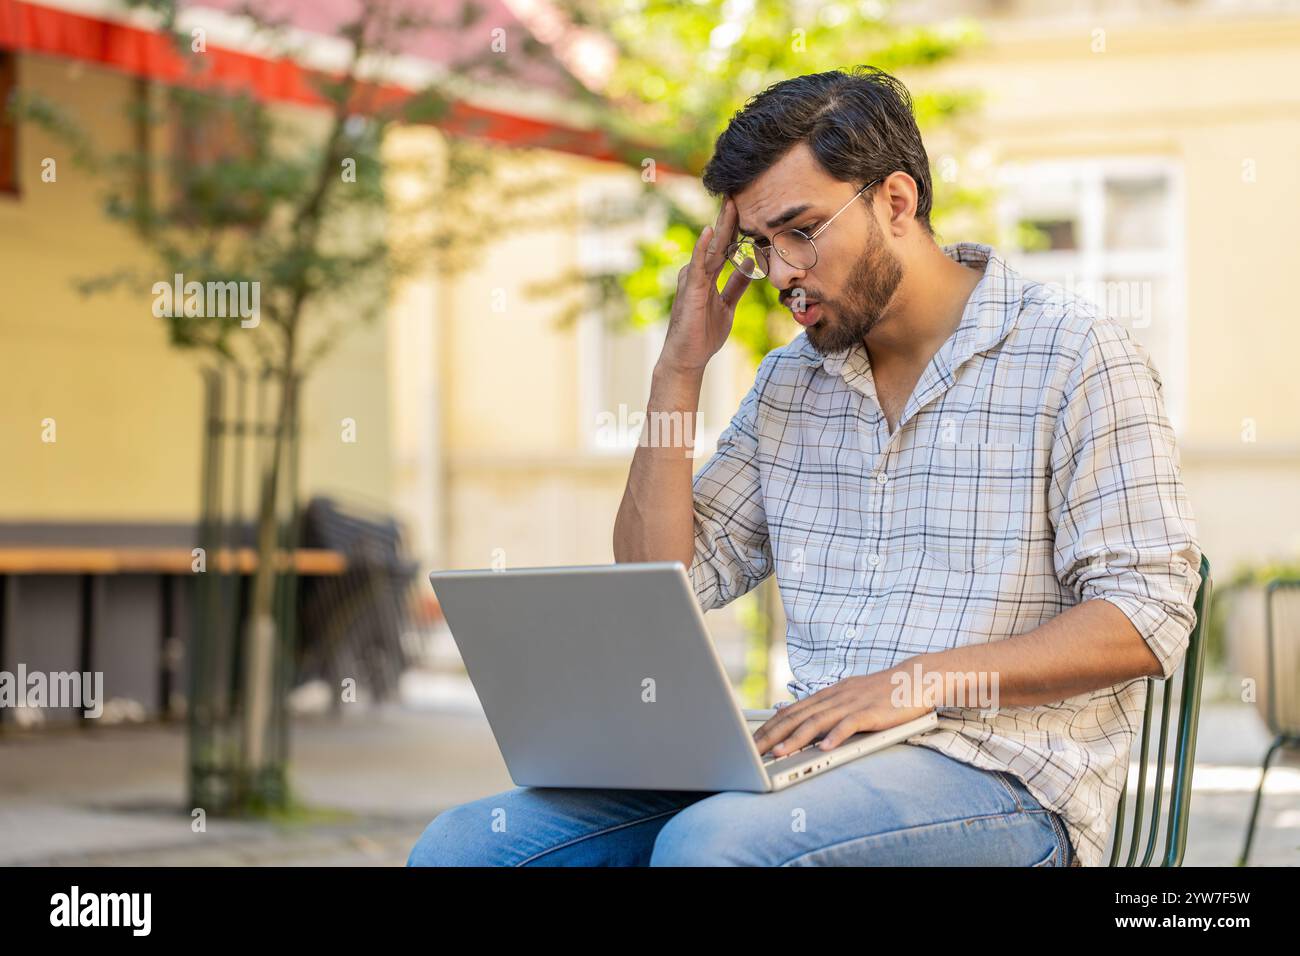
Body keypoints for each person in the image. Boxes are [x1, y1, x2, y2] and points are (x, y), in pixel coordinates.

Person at [408, 65, 1200, 867]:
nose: (781, 272)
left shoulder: (1073, 354)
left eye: (800, 230)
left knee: (713, 848)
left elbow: (1147, 613)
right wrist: (678, 369)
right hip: (807, 763)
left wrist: (914, 683)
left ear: (895, 201)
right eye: (760, 245)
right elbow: (660, 577)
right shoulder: (791, 384)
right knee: (468, 847)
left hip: (1001, 782)